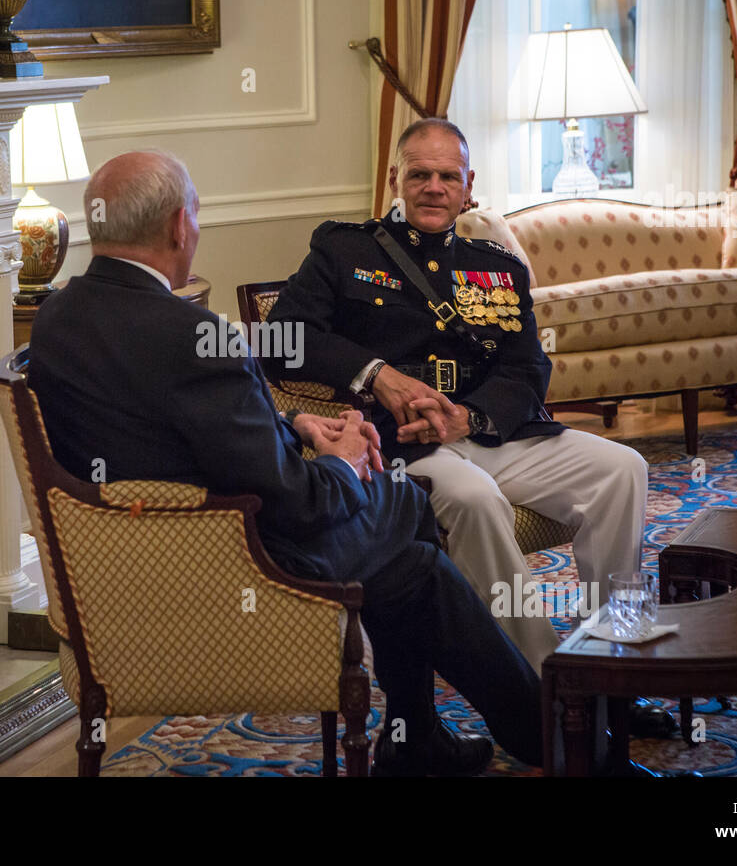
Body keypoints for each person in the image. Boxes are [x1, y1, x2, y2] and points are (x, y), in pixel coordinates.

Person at [26, 149, 546, 774]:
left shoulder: (56, 316)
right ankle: (527, 737)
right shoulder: (192, 336)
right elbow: (297, 502)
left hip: (128, 563)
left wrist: (291, 423)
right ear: (176, 227)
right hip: (235, 561)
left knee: (411, 566)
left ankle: (421, 738)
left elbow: (157, 426)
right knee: (406, 510)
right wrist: (348, 460)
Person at [265, 119, 652, 692]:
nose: (434, 187)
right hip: (400, 441)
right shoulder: (343, 249)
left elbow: (527, 368)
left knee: (624, 470)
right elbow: (284, 337)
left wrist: (471, 416)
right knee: (476, 499)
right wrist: (377, 375)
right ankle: (546, 680)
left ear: (469, 185)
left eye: (449, 176)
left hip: (492, 432)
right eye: (419, 174)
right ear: (396, 178)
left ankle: (613, 659)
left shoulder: (498, 267)